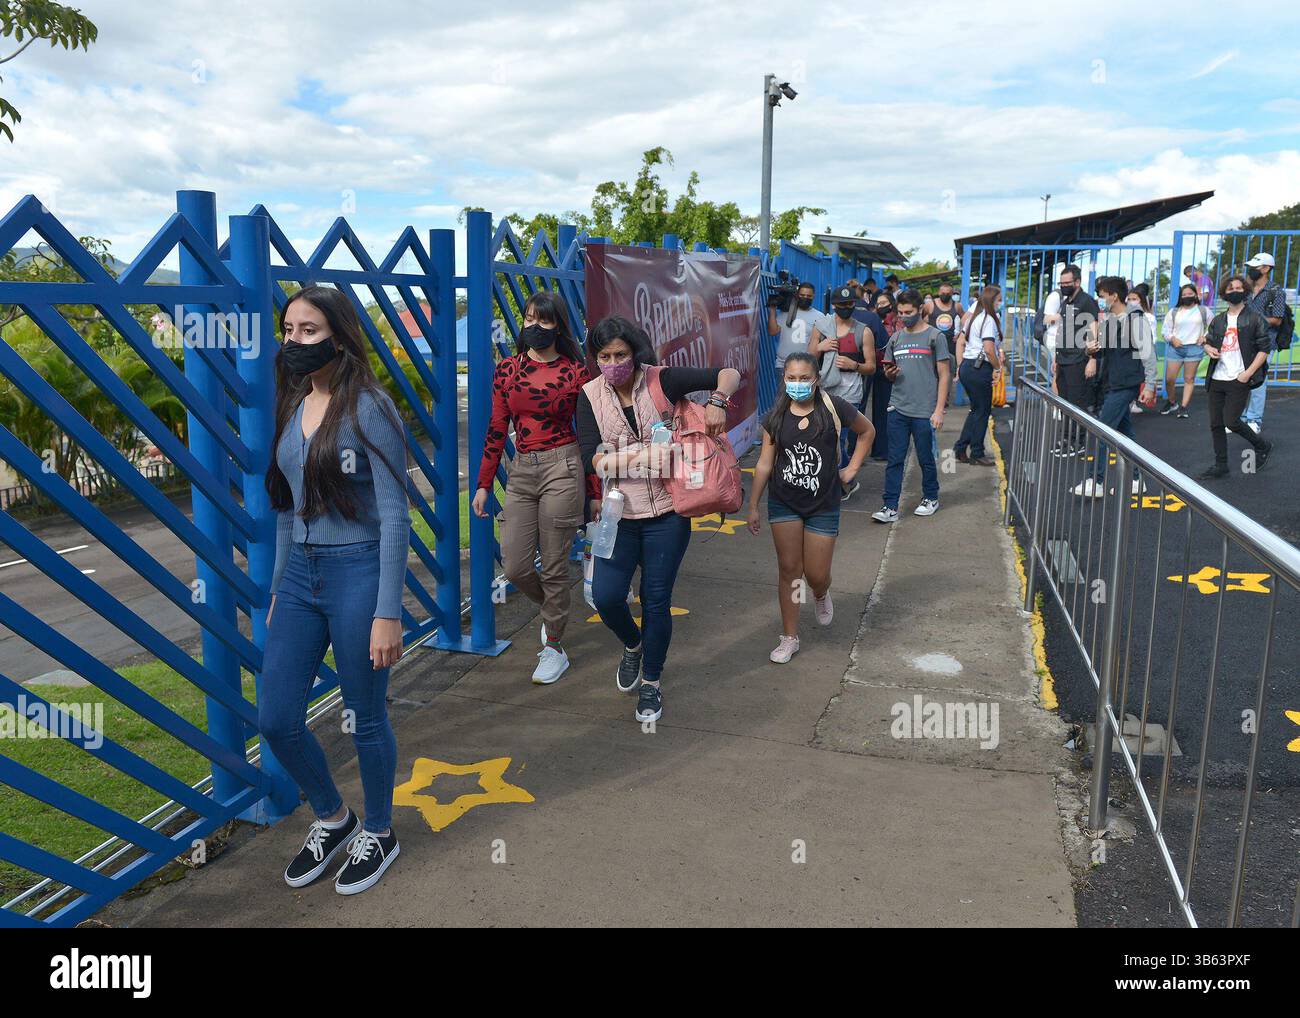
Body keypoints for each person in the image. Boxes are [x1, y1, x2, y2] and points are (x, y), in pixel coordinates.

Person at [262, 285, 410, 895]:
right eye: (288, 330)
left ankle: (378, 830)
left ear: (341, 337)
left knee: (364, 717)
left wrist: (387, 610)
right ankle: (332, 816)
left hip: (358, 570)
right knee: (275, 718)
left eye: (308, 331)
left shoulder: (370, 407)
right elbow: (283, 506)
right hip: (298, 574)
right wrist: (277, 588)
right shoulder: (293, 403)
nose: (294, 341)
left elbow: (395, 513)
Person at [577, 316, 741, 724]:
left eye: (621, 354)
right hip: (621, 513)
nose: (613, 363)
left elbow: (728, 373)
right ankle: (633, 645)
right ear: (595, 358)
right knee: (607, 596)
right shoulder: (589, 395)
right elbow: (590, 459)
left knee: (656, 601)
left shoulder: (660, 380)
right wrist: (640, 458)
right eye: (604, 356)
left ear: (635, 353)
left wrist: (719, 400)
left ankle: (651, 682)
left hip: (668, 513)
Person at [472, 293, 597, 685]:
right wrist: (483, 484)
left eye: (543, 322)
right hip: (522, 470)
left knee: (556, 564)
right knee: (516, 565)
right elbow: (496, 428)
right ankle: (553, 612)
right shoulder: (507, 370)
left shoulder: (577, 373)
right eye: (529, 319)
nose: (534, 328)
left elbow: (591, 435)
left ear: (558, 325)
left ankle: (554, 647)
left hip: (564, 464)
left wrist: (593, 492)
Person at [748, 353, 873, 663]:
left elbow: (866, 431)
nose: (798, 384)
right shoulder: (775, 416)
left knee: (816, 574)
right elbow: (765, 463)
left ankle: (819, 592)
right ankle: (789, 636)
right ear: (784, 379)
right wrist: (753, 505)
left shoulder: (833, 407)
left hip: (823, 504)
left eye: (804, 378)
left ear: (816, 379)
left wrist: (851, 469)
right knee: (790, 571)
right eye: (792, 378)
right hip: (784, 503)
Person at [1070, 276, 1157, 498]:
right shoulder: (1111, 320)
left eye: (1102, 295)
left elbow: (1148, 355)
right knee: (1126, 435)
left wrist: (1149, 385)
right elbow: (1103, 351)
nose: (1100, 300)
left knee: (1101, 431)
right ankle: (1137, 480)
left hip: (1126, 384)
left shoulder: (1136, 320)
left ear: (1114, 296)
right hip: (1114, 383)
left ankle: (1096, 481)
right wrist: (1090, 351)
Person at [871, 289, 950, 523]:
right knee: (895, 459)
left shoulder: (935, 337)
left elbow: (944, 375)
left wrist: (938, 410)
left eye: (909, 312)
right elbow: (889, 374)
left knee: (926, 457)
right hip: (897, 408)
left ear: (920, 310)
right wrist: (889, 373)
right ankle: (890, 506)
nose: (904, 316)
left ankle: (931, 497)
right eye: (901, 312)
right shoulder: (895, 339)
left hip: (924, 410)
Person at [1198, 275, 1273, 479]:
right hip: (1217, 378)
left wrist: (1247, 374)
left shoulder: (1255, 318)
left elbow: (1264, 348)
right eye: (1230, 288)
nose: (1234, 291)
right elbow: (1208, 341)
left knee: (1231, 421)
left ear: (1245, 291)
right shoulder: (1219, 320)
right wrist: (1207, 348)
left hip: (1239, 378)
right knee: (1215, 423)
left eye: (1239, 288)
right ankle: (1220, 464)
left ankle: (1263, 445)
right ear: (1224, 293)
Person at [810, 285, 876, 493]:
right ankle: (844, 479)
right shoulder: (821, 327)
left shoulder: (863, 331)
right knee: (826, 437)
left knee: (840, 438)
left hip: (850, 393)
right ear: (834, 305)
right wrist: (820, 348)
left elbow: (871, 367)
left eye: (849, 304)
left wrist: (853, 365)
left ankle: (841, 482)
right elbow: (809, 358)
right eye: (841, 305)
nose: (846, 308)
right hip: (824, 390)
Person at [1051, 264, 1100, 457]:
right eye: (1061, 283)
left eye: (1067, 283)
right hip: (1063, 359)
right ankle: (1066, 438)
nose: (1063, 286)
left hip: (1078, 359)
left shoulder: (1087, 302)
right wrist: (1056, 357)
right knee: (1064, 402)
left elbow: (1094, 331)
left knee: (1076, 403)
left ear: (1077, 282)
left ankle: (1077, 441)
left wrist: (1092, 359)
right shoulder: (1066, 302)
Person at [953, 285, 1004, 467]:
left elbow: (962, 339)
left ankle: (961, 447)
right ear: (991, 300)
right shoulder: (989, 320)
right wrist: (998, 368)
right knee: (982, 411)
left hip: (968, 366)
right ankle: (977, 452)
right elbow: (989, 349)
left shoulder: (975, 318)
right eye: (999, 300)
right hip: (979, 368)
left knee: (976, 410)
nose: (1001, 303)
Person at [1242, 252, 1285, 433]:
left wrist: (1254, 320)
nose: (1251, 270)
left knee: (1258, 380)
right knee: (1243, 379)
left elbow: (1277, 320)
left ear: (1266, 269)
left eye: (1255, 267)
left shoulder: (1276, 291)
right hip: (1245, 341)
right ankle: (1242, 417)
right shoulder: (1246, 291)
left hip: (1265, 342)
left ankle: (1254, 419)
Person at [1160, 283, 1211, 418]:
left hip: (1194, 348)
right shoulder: (1174, 312)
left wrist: (1204, 337)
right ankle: (1172, 402)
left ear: (1195, 295)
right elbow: (1165, 330)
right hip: (1176, 348)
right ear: (1180, 297)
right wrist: (1172, 338)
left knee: (1189, 379)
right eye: (1184, 294)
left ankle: (1183, 407)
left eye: (1190, 294)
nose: (1187, 296)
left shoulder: (1203, 310)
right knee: (1170, 379)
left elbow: (1213, 326)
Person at [767, 279, 832, 373]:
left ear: (813, 296)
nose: (805, 298)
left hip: (806, 365)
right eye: (802, 295)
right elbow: (773, 331)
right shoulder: (786, 312)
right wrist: (772, 311)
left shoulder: (819, 316)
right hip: (783, 364)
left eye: (808, 296)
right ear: (797, 295)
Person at [865, 290, 897, 461]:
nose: (880, 306)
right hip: (875, 367)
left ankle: (885, 448)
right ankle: (879, 449)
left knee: (888, 410)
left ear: (891, 304)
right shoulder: (873, 319)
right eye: (878, 303)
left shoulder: (897, 322)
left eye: (884, 303)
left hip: (892, 369)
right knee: (879, 410)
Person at [925, 280, 964, 405]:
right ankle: (931, 398)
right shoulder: (930, 305)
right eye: (943, 293)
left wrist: (960, 333)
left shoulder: (956, 306)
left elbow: (965, 319)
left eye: (948, 293)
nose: (945, 295)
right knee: (931, 372)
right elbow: (920, 319)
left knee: (947, 373)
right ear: (938, 292)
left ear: (952, 293)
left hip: (949, 346)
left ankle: (943, 399)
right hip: (932, 345)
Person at [1125, 285, 1158, 414]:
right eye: (1130, 298)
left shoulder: (1148, 317)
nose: (1131, 301)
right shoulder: (1127, 315)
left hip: (1141, 352)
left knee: (1138, 378)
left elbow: (1152, 337)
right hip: (1131, 352)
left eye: (1135, 298)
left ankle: (1134, 401)